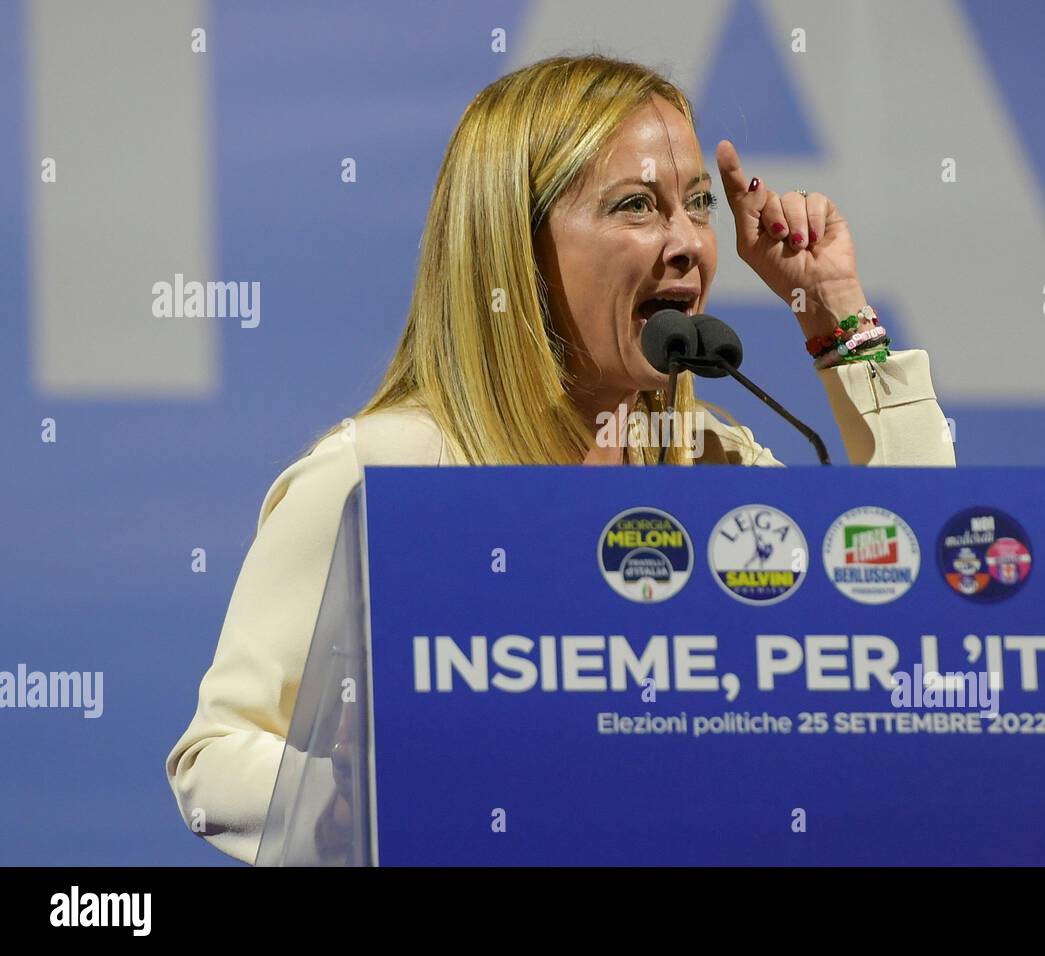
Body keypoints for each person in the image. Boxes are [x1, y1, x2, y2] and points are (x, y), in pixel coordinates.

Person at [165, 53, 957, 865]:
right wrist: (367, 802)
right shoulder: (382, 473)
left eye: (697, 206)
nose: (687, 244)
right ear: (517, 246)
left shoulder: (716, 465)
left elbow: (915, 607)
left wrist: (836, 315)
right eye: (636, 207)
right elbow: (215, 757)